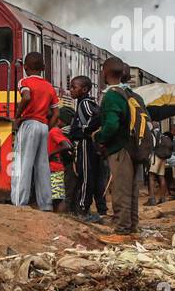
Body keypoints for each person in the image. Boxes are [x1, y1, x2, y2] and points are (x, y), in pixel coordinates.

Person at [95, 56, 141, 234]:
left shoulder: (112, 96)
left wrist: (101, 138)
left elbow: (112, 124)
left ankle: (122, 229)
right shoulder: (133, 95)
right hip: (135, 148)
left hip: (120, 149)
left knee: (120, 189)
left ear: (105, 73)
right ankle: (132, 226)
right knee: (132, 189)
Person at [11, 52, 58, 211]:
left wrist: (17, 117)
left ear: (25, 67)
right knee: (42, 166)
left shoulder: (24, 81)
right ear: (43, 68)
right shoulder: (49, 86)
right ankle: (46, 205)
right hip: (43, 126)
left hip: (29, 124)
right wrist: (47, 126)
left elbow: (26, 97)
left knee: (22, 163)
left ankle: (19, 202)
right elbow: (56, 113)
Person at [67, 76, 107, 223]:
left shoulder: (84, 104)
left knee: (86, 177)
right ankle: (102, 210)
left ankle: (83, 209)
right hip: (93, 145)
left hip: (86, 144)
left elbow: (97, 117)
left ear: (84, 90)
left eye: (73, 87)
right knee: (97, 178)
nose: (70, 90)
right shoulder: (88, 103)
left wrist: (86, 131)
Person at [48, 117, 73, 213]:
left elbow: (67, 146)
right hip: (55, 167)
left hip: (55, 168)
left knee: (58, 198)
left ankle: (61, 219)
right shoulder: (56, 131)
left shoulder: (54, 131)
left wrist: (50, 154)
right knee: (56, 197)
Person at [147, 121, 170, 206]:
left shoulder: (152, 134)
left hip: (155, 157)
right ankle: (163, 198)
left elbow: (151, 146)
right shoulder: (162, 135)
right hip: (162, 158)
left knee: (151, 177)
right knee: (161, 177)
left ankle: (152, 198)